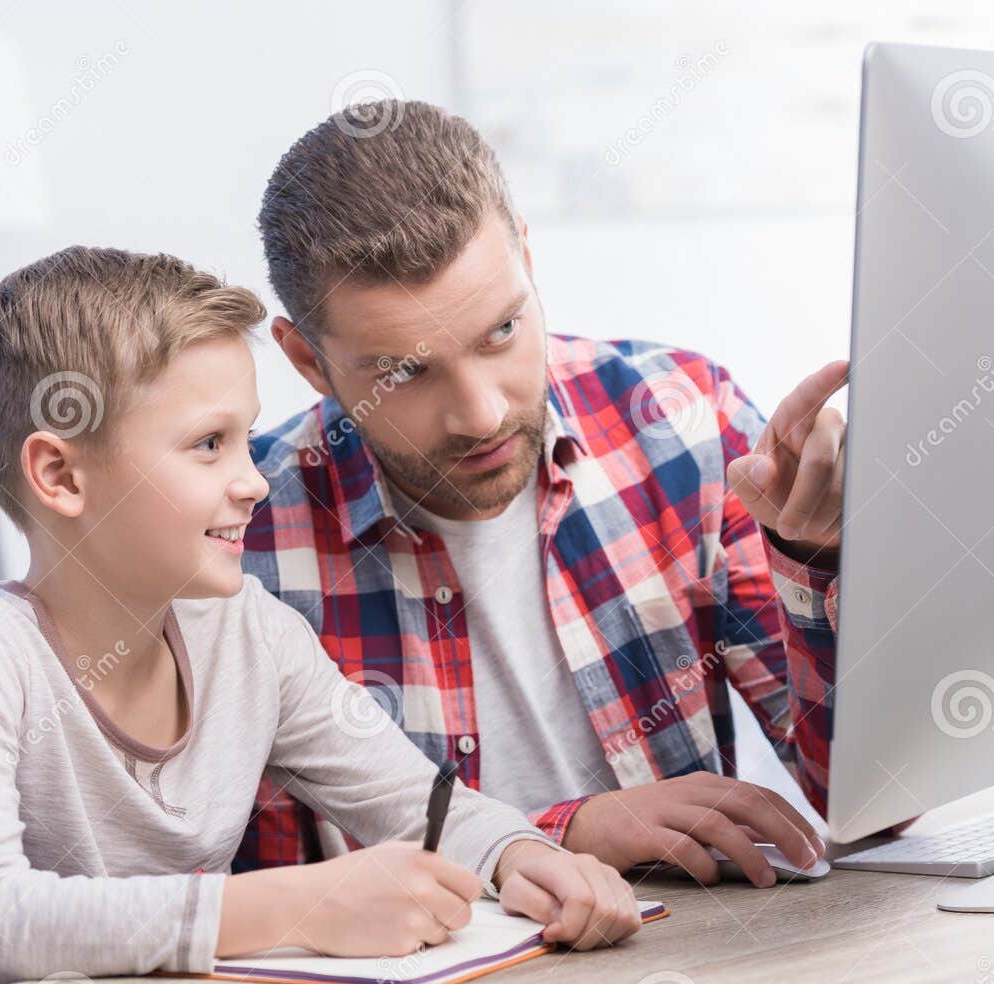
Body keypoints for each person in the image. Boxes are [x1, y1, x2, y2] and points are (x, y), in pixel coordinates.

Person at [0, 246, 641, 984]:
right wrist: (294, 907)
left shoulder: (249, 634)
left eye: (245, 441)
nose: (253, 483)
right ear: (60, 474)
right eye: (208, 445)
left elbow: (416, 803)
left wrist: (522, 856)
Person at [241, 101, 864, 889]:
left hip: (705, 969)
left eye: (501, 330)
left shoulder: (680, 420)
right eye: (403, 371)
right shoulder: (243, 536)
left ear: (528, 261)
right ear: (307, 359)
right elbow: (258, 910)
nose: (483, 413)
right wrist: (571, 832)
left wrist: (816, 561)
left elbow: (874, 803)